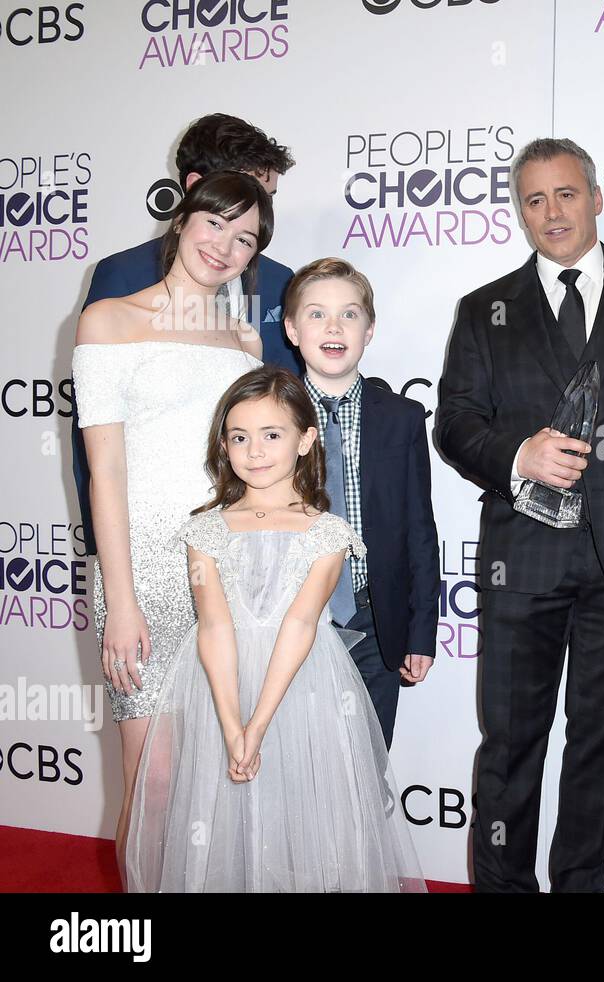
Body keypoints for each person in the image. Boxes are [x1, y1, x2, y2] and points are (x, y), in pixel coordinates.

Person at [435, 137, 604, 892]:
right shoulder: (485, 309)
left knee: (603, 746)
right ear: (520, 208)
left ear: (597, 197)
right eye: (535, 199)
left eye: (566, 194)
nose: (552, 213)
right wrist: (518, 457)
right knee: (510, 747)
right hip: (524, 559)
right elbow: (454, 423)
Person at [123, 367, 426, 893]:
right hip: (221, 685)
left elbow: (300, 623)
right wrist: (231, 722)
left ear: (305, 440)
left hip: (303, 686)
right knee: (220, 819)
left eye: (272, 435)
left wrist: (257, 723)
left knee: (308, 813)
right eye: (240, 437)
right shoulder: (204, 530)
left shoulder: (328, 531)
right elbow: (214, 626)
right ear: (223, 445)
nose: (255, 450)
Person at [72, 171, 270, 884]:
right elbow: (108, 473)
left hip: (228, 571)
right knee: (152, 777)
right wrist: (119, 600)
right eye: (216, 223)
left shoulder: (246, 341)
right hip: (142, 569)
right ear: (183, 218)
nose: (225, 246)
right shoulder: (110, 320)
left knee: (213, 775)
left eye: (244, 238)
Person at [73, 113, 298, 557]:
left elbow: (289, 411)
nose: (253, 207)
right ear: (195, 189)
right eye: (233, 196)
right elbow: (99, 439)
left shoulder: (281, 280)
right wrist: (108, 551)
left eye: (265, 198)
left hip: (247, 535)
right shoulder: (123, 277)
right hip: (147, 536)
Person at [283, 258, 440, 749]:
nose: (333, 327)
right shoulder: (266, 413)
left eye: (349, 315)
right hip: (287, 622)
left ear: (369, 330)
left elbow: (419, 528)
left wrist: (420, 631)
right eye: (316, 314)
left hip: (375, 622)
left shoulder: (402, 418)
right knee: (295, 773)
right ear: (290, 328)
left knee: (366, 773)